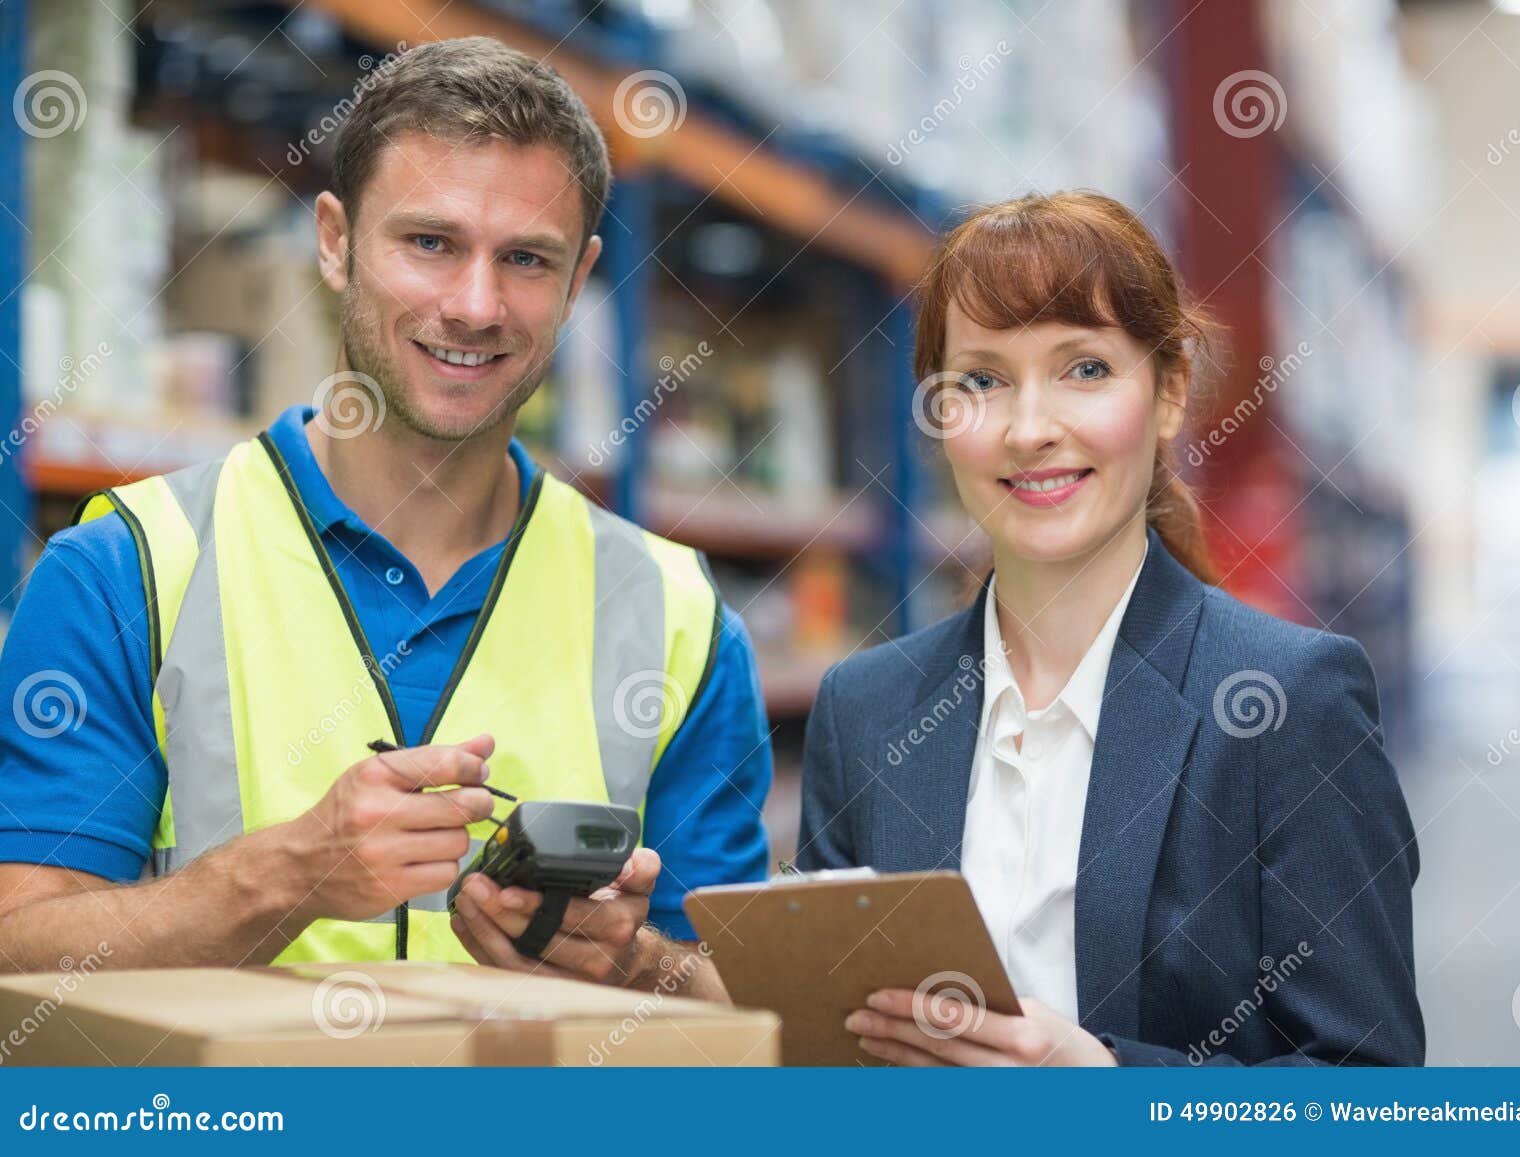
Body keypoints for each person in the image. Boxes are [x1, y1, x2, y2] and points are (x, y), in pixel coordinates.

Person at [0, 37, 769, 1000]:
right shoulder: (127, 571)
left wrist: (637, 962)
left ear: (579, 283)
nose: (476, 305)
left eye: (526, 258)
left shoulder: (677, 616)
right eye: (431, 243)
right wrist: (281, 877)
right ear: (334, 240)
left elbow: (752, 999)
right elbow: (17, 952)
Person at [797, 191, 1424, 1065]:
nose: (1029, 429)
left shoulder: (1287, 702)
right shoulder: (865, 710)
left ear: (1168, 393)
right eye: (980, 380)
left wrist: (1100, 1082)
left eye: (1084, 369)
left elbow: (1374, 1094)